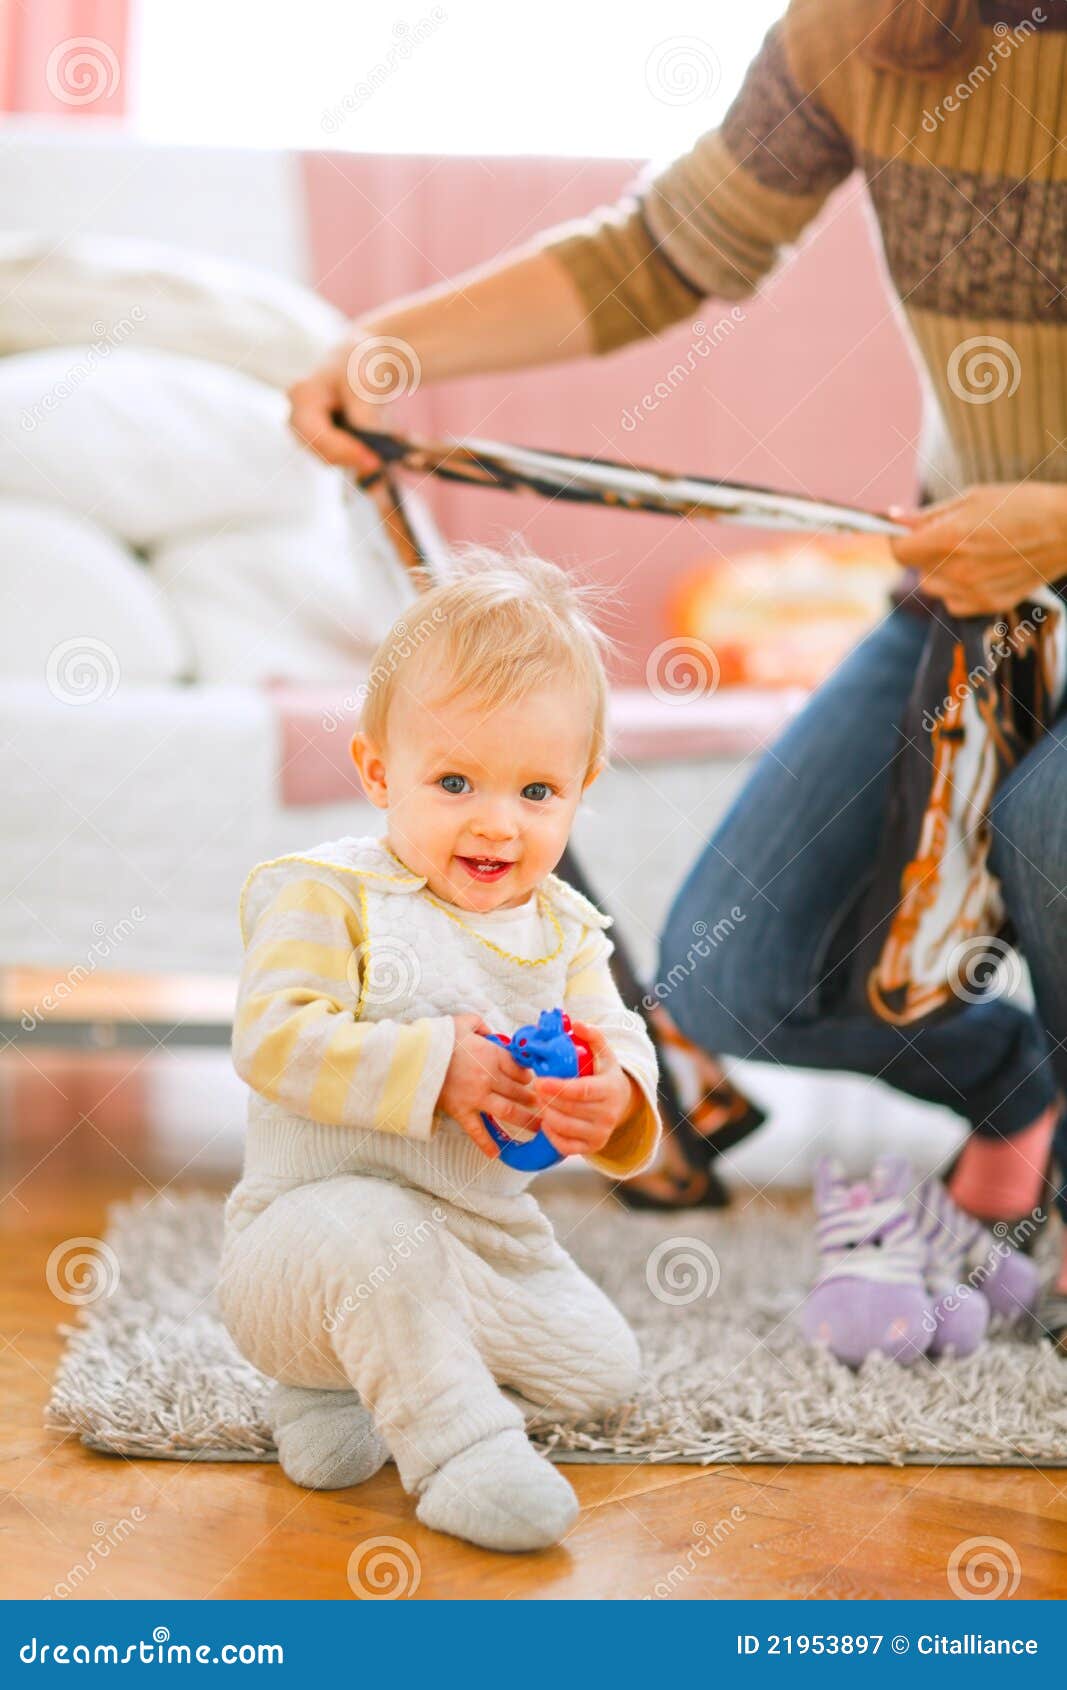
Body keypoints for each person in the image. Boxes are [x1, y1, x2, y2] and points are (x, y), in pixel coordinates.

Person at [288, 0, 1067, 1334]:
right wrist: (383, 352)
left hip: (1030, 554)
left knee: (1045, 822)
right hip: (970, 597)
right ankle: (1021, 1086)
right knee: (728, 978)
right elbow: (660, 252)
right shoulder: (856, 31)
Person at [217, 549, 661, 1552]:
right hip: (302, 1247)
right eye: (454, 779)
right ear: (379, 770)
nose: (496, 822)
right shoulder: (326, 893)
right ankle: (460, 1453)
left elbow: (618, 1036)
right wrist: (431, 1065)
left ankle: (369, 1379)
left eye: (538, 790)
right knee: (375, 1232)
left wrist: (615, 1097)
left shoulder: (565, 928)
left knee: (601, 1372)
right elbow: (272, 1038)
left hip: (477, 1244)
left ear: (582, 785)